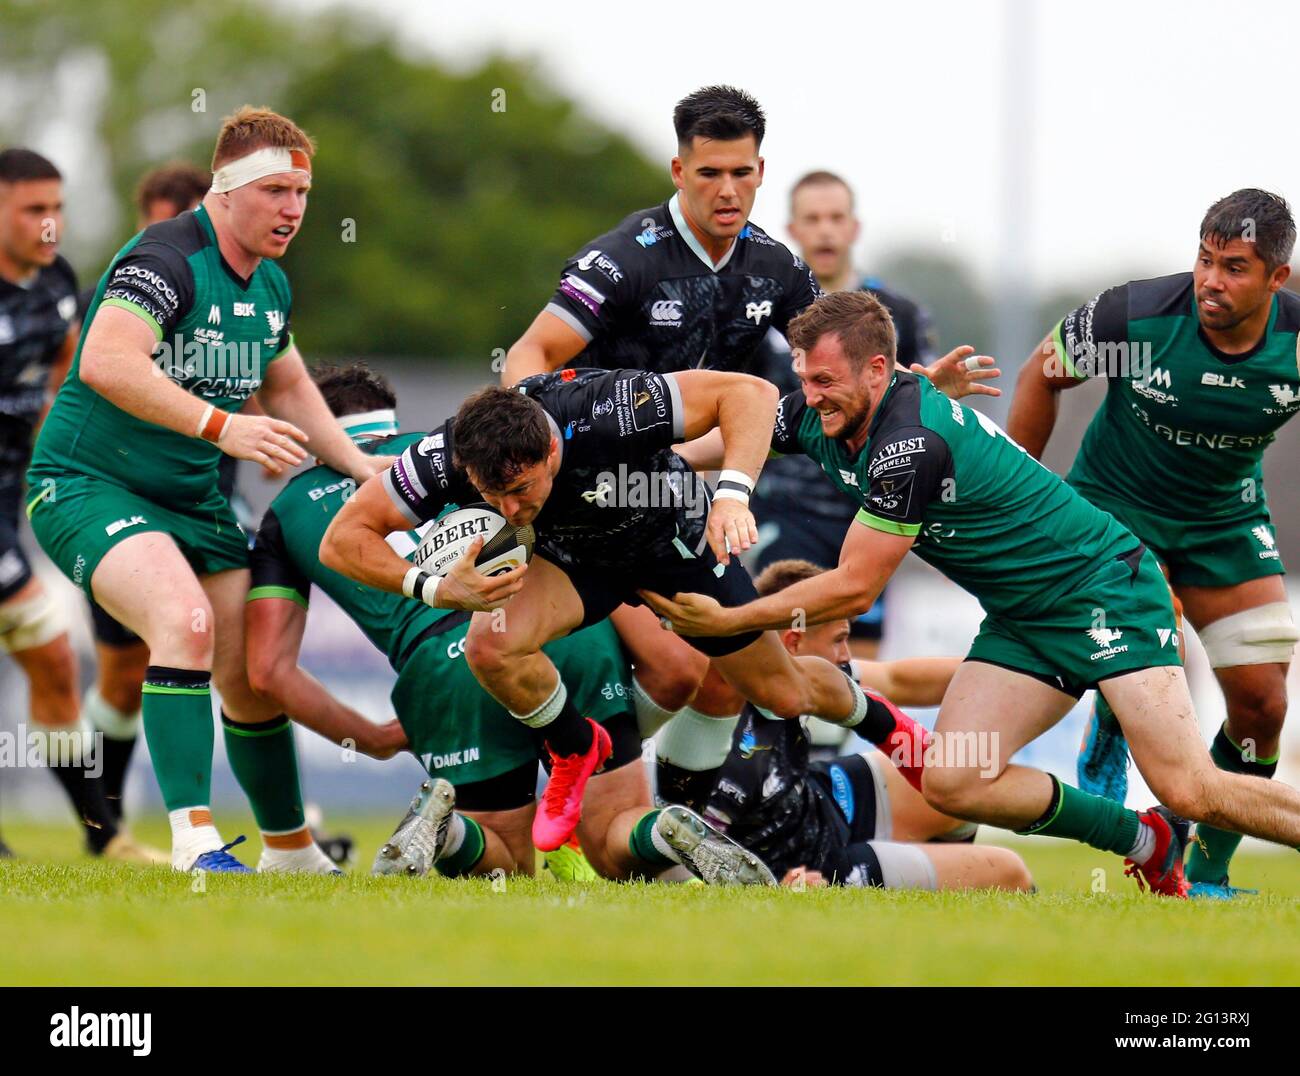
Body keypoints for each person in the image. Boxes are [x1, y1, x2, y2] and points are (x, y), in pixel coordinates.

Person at [644, 289, 1300, 899]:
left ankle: (1146, 766)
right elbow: (722, 439)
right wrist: (638, 458)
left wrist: (731, 618)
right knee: (955, 778)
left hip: (1106, 589)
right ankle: (1146, 839)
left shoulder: (909, 446)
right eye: (804, 380)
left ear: (876, 370)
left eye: (824, 381)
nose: (810, 397)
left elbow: (853, 586)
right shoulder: (837, 408)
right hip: (1024, 618)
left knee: (1188, 787)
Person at [319, 366, 935, 858]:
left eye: (521, 490)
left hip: (671, 542)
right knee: (490, 645)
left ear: (552, 451)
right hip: (577, 561)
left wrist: (731, 497)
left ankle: (887, 725)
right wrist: (432, 588)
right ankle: (572, 745)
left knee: (786, 691)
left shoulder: (602, 407)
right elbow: (343, 540)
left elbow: (749, 393)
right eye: (490, 495)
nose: (506, 509)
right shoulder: (446, 453)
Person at [26, 107, 389, 872]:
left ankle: (290, 851)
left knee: (252, 669)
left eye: (304, 192)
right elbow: (107, 364)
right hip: (86, 486)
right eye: (277, 191)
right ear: (224, 191)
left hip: (191, 502)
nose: (294, 209)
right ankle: (195, 841)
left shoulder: (271, 283)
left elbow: (289, 389)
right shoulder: (163, 258)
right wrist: (225, 429)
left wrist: (362, 470)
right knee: (184, 622)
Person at [244, 362, 745, 881]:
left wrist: (369, 738)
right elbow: (665, 653)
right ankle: (658, 828)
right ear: (388, 416)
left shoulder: (289, 510)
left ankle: (453, 832)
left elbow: (266, 672)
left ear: (309, 428)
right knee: (616, 829)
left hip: (440, 671)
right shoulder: (459, 445)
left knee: (503, 863)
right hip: (558, 630)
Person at [1006, 188, 1300, 898]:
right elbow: (1040, 374)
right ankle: (1112, 709)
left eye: (1233, 267)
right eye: (1204, 259)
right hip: (1115, 511)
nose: (1210, 280)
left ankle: (1207, 871)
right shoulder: (1134, 314)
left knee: (1263, 704)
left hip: (1226, 521)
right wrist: (1021, 498)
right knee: (1151, 629)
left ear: (1276, 278)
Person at [684, 558, 1033, 892]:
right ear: (794, 641)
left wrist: (1020, 672)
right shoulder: (718, 705)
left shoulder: (808, 670)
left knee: (955, 779)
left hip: (817, 798)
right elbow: (690, 829)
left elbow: (898, 680)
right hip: (808, 861)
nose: (847, 655)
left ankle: (935, 882)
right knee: (1010, 872)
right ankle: (922, 885)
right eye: (838, 640)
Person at [0, 147, 155, 862]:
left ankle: (105, 836)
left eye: (57, 207)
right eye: (34, 209)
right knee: (50, 653)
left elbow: (65, 364)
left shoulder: (58, 283)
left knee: (56, 666)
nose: (51, 224)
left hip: (11, 502)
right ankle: (109, 836)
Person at [75, 160, 217, 834]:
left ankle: (285, 829)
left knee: (231, 646)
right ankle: (104, 821)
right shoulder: (114, 296)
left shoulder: (229, 283)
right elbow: (79, 380)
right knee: (126, 668)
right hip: (119, 501)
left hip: (209, 497)